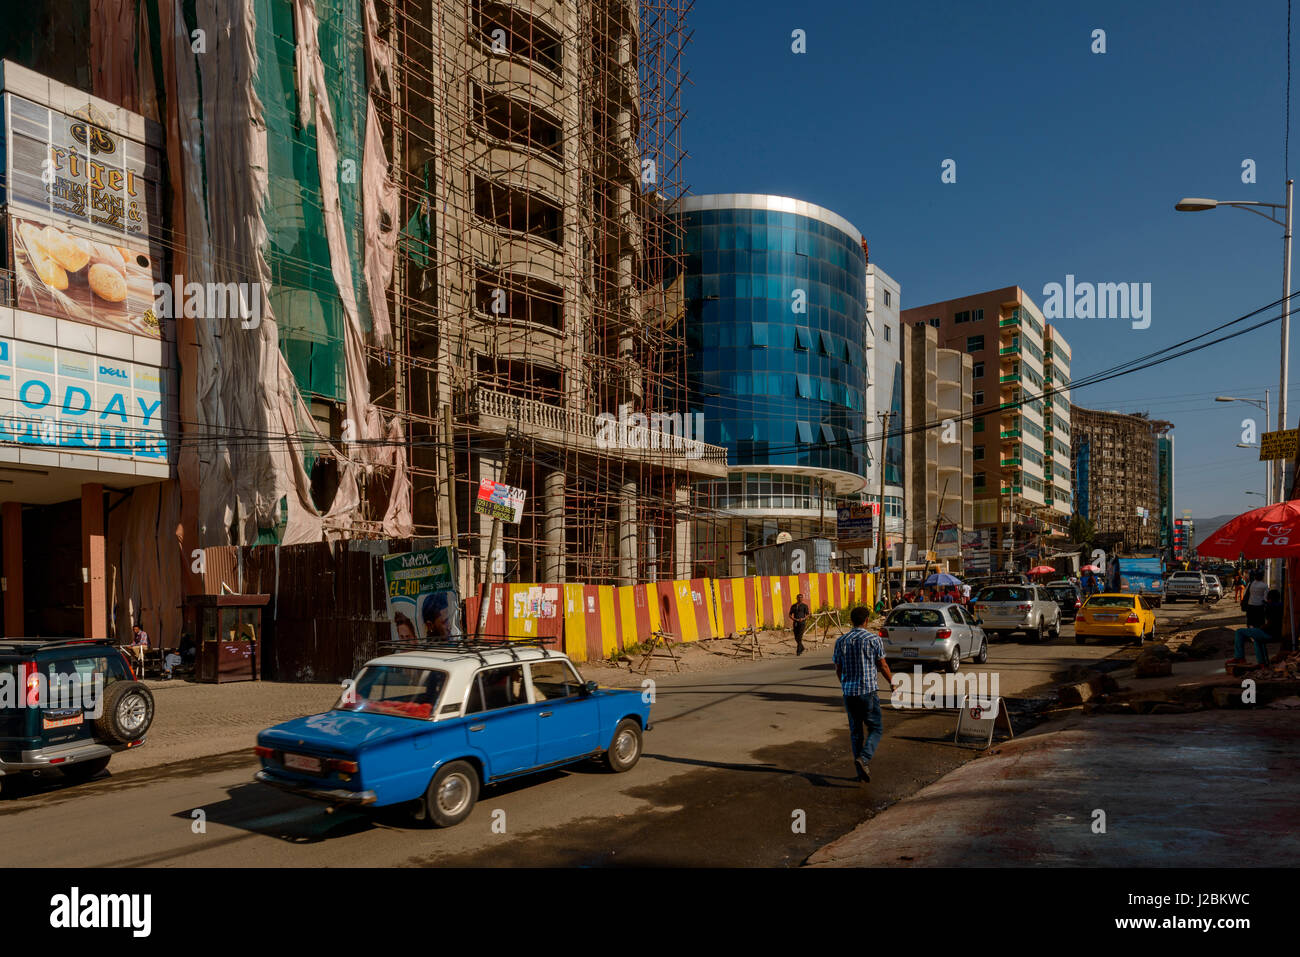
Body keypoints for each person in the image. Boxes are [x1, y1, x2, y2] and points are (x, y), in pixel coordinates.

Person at [833, 605, 892, 783]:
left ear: (852, 620)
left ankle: (860, 772)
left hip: (849, 693)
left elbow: (838, 668)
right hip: (867, 692)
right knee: (876, 728)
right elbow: (882, 665)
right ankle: (864, 758)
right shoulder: (873, 639)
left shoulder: (841, 641)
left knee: (856, 732)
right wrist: (893, 682)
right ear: (866, 621)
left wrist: (844, 684)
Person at [1230, 588, 1283, 667]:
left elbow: (1270, 624)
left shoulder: (1270, 607)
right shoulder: (1282, 606)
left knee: (1239, 632)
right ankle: (1262, 663)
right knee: (1257, 639)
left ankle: (1239, 657)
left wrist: (1260, 628)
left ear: (1269, 599)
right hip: (1279, 634)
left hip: (1270, 634)